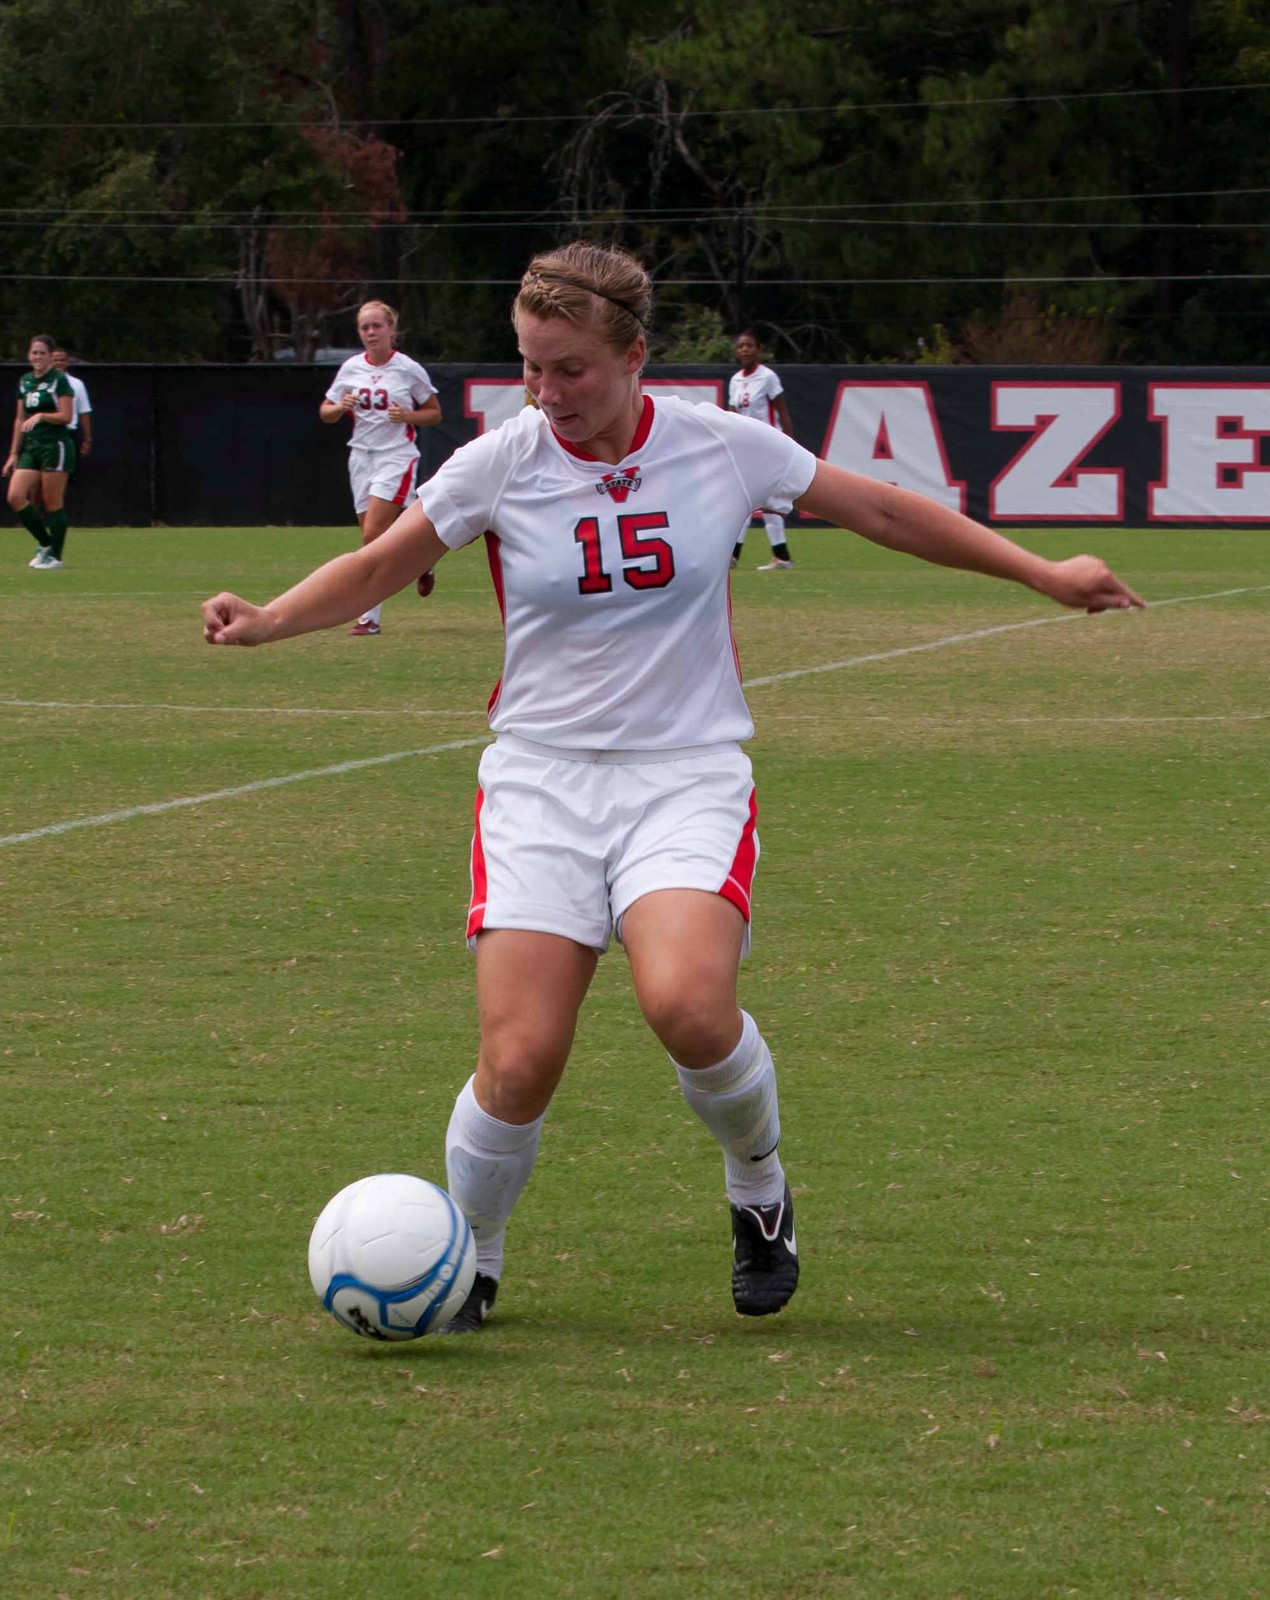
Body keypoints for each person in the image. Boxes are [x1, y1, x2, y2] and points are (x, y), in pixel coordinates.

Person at [201, 241, 1144, 1334]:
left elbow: (884, 510)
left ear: (635, 356)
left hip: (685, 776)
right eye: (531, 367)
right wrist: (269, 619)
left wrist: (1042, 571)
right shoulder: (500, 463)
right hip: (541, 783)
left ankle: (758, 1187)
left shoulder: (721, 446)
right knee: (518, 1062)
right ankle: (472, 1257)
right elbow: (378, 565)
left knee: (689, 1008)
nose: (547, 392)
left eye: (570, 369)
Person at [320, 300, 442, 634]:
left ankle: (369, 616)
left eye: (377, 326)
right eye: (365, 327)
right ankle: (423, 557)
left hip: (396, 455)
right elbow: (325, 412)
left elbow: (434, 413)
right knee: (376, 534)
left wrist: (407, 416)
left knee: (373, 535)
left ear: (391, 329)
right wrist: (338, 407)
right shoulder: (351, 368)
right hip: (361, 456)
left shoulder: (407, 368)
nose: (371, 332)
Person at [4, 333, 75, 569]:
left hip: (55, 445)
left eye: (42, 353)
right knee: (15, 496)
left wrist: (43, 415)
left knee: (52, 502)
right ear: (28, 355)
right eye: (34, 352)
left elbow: (66, 416)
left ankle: (56, 557)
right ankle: (46, 544)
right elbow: (19, 419)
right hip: (32, 446)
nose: (37, 357)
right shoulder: (25, 381)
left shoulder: (59, 380)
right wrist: (14, 453)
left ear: (50, 357)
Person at [728, 330, 797, 571]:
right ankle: (780, 556)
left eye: (749, 345)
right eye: (740, 346)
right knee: (750, 500)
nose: (744, 349)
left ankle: (736, 555)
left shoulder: (767, 377)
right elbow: (731, 416)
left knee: (753, 499)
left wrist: (789, 443)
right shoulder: (735, 380)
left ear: (758, 349)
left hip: (768, 446)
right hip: (746, 448)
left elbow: (782, 411)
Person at [51, 347, 92, 462]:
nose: (59, 363)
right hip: (47, 433)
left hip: (69, 433)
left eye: (62, 360)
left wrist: (87, 439)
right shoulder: (41, 382)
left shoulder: (77, 384)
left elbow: (84, 413)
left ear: (67, 362)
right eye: (55, 360)